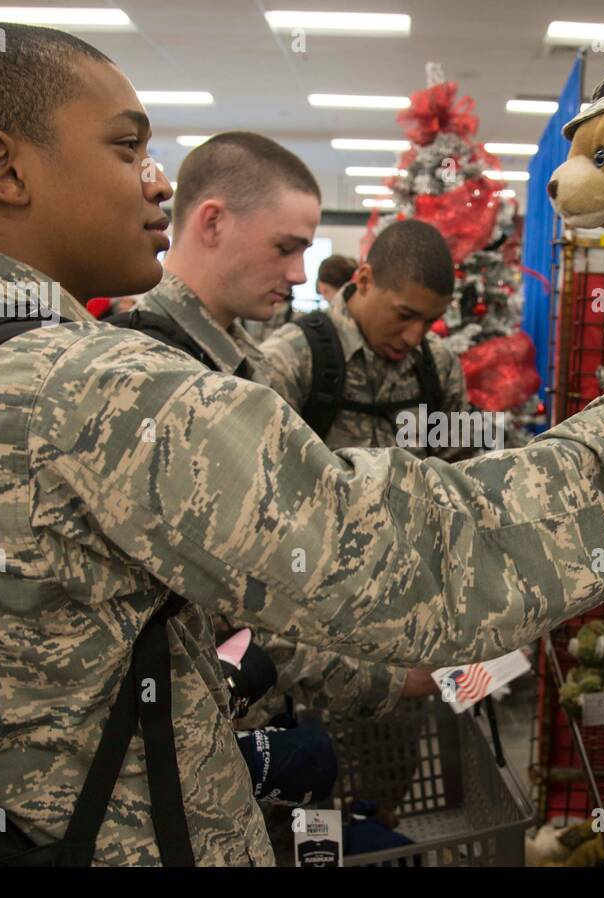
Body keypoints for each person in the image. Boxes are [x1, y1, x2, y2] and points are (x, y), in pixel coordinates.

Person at [0, 21, 604, 866]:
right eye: (125, 145)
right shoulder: (88, 390)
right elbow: (415, 555)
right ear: (4, 168)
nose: (158, 180)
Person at [118, 131, 432, 724]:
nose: (297, 272)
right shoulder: (161, 377)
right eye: (285, 247)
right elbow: (219, 604)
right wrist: (380, 675)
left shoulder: (236, 362)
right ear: (212, 223)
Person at [260, 219, 476, 462]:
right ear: (364, 280)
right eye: (404, 315)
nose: (414, 337)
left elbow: (459, 473)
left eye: (429, 321)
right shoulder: (290, 360)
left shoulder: (440, 364)